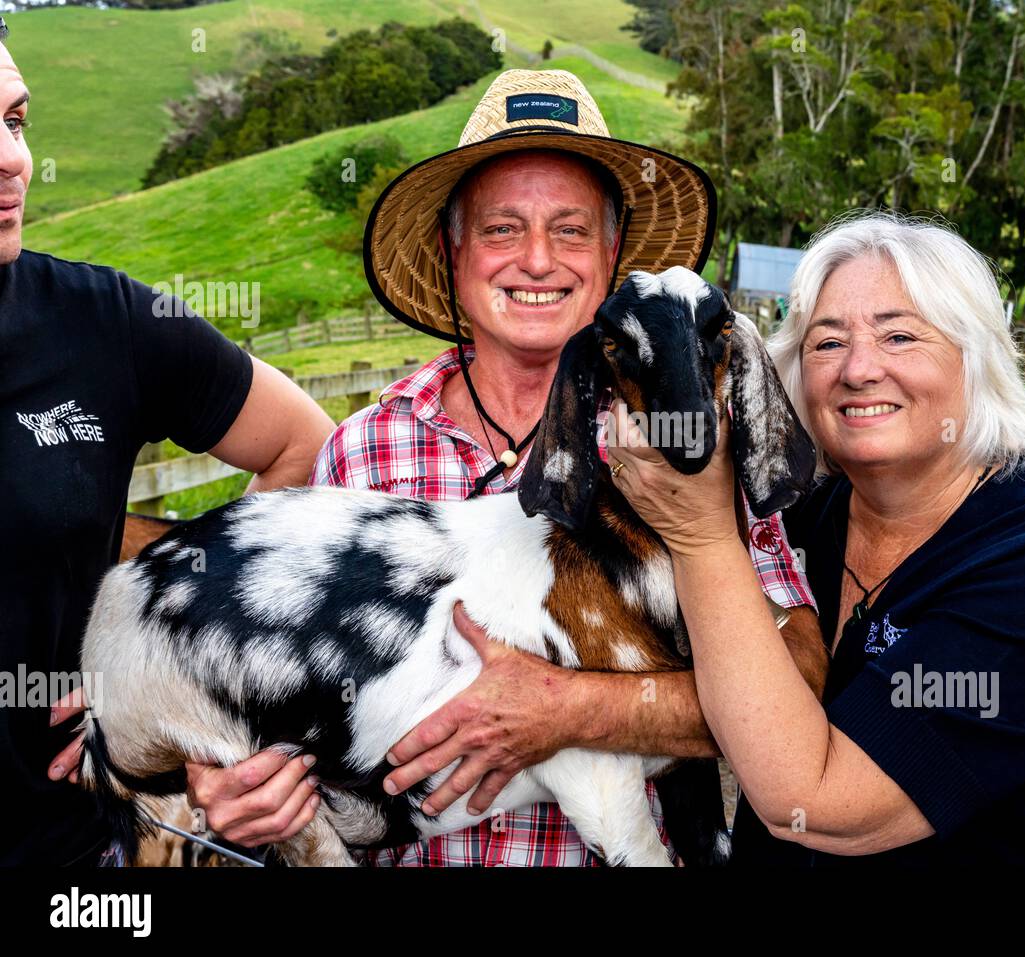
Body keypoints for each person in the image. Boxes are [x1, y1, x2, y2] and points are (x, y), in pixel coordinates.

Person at [185, 69, 827, 865]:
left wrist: (574, 708)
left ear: (611, 253)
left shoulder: (692, 449)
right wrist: (231, 779)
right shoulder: (363, 451)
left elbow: (795, 674)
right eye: (500, 229)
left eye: (570, 229)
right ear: (455, 253)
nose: (536, 260)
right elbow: (282, 688)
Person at [602, 210, 1025, 866]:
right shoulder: (800, 513)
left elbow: (813, 800)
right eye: (827, 343)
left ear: (977, 357)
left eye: (900, 337)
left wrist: (703, 538)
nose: (858, 369)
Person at [0, 23, 336, 866]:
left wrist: (162, 651)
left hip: (66, 854)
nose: (11, 159)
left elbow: (304, 444)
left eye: (15, 121)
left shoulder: (104, 323)